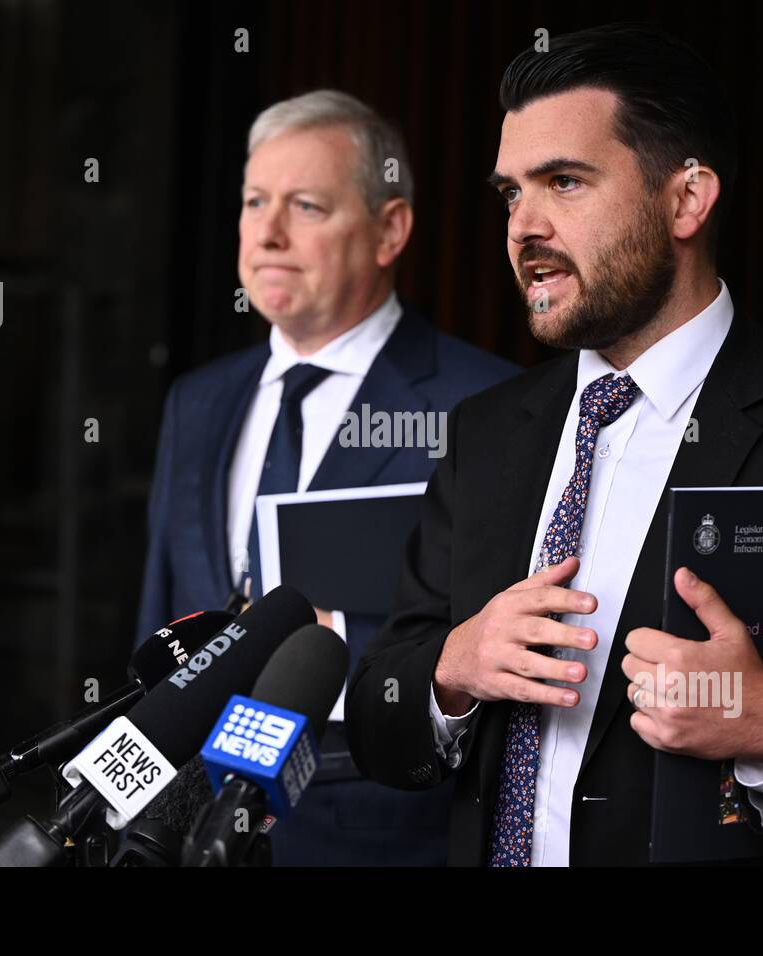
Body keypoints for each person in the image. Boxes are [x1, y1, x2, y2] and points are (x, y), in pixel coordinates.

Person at [344, 24, 763, 866]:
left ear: (687, 199)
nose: (524, 225)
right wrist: (451, 671)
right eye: (510, 193)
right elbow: (379, 729)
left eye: (564, 182)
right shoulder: (485, 433)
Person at [137, 89, 517, 865]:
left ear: (389, 230)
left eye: (306, 205)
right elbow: (163, 611)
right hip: (185, 833)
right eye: (253, 202)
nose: (268, 233)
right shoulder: (197, 400)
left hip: (385, 835)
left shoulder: (490, 406)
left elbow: (505, 648)